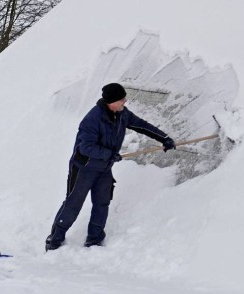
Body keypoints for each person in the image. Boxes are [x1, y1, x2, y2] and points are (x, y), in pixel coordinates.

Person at [45, 82, 176, 251]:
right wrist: (109, 154)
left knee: (102, 203)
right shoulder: (92, 119)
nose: (125, 102)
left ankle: (94, 239)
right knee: (73, 203)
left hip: (104, 168)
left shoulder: (122, 114)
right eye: (122, 99)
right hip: (84, 168)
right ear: (111, 101)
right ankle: (54, 239)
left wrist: (163, 138)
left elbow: (141, 125)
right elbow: (85, 147)